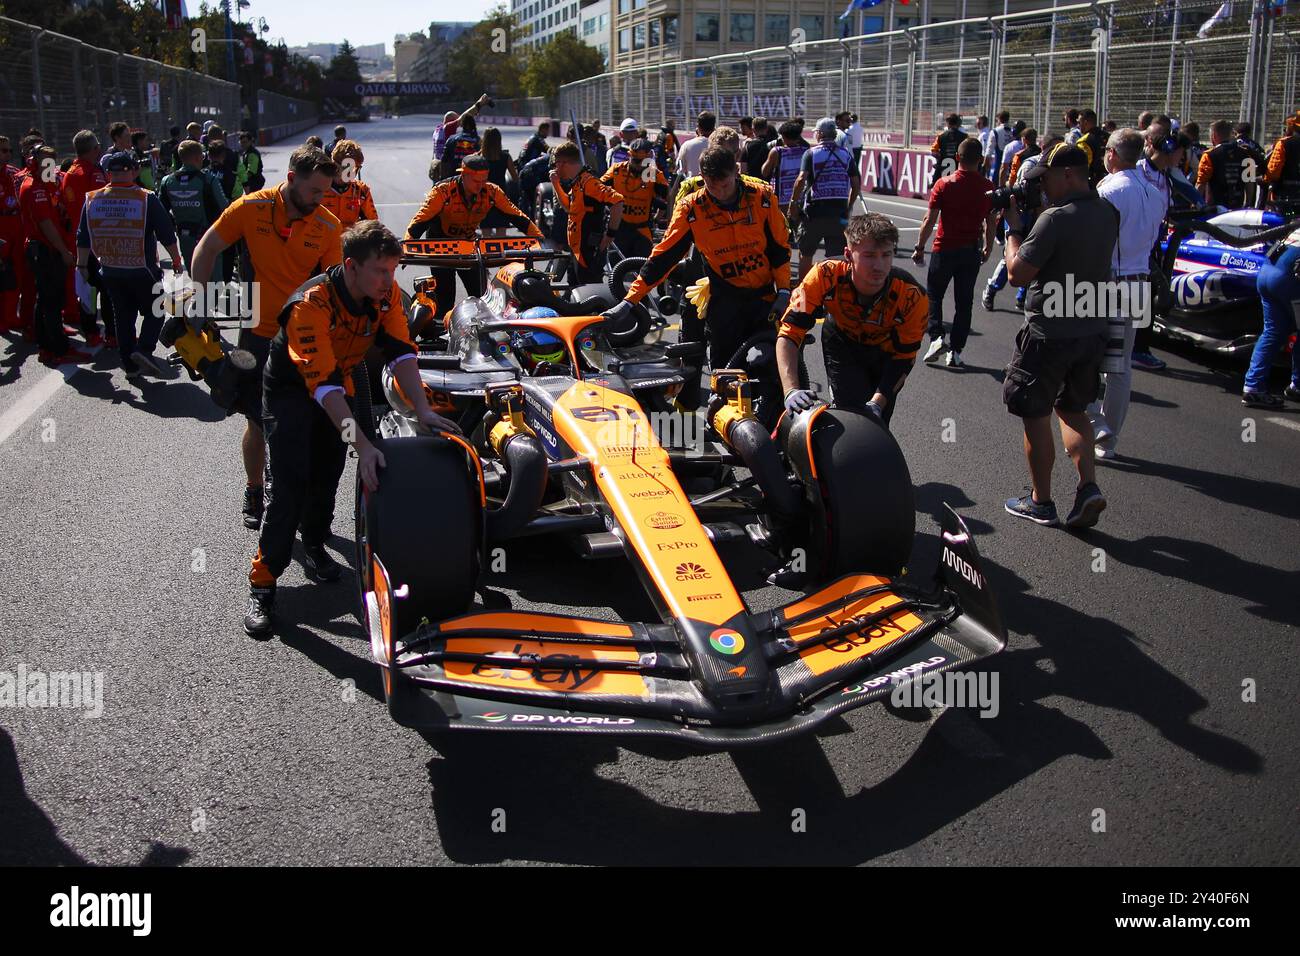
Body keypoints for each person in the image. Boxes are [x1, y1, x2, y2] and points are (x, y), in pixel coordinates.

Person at [243, 221, 458, 636]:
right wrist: (364, 443)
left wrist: (423, 410)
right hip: (292, 392)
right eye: (380, 271)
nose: (388, 281)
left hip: (334, 384)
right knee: (291, 483)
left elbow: (401, 353)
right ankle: (263, 584)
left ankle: (316, 543)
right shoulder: (311, 305)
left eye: (393, 271)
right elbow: (320, 388)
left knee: (328, 474)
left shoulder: (386, 294)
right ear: (350, 266)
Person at [190, 145, 344, 531]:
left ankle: (290, 494)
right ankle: (254, 487)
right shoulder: (251, 207)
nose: (320, 199)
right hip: (256, 334)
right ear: (291, 179)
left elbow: (338, 288)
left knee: (300, 423)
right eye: (314, 191)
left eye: (325, 192)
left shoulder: (327, 226)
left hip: (302, 338)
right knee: (257, 423)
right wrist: (199, 301)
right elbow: (207, 247)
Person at [1001, 143, 1117, 529]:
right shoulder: (1107, 212)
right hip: (1090, 329)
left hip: (1049, 333)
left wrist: (1013, 233)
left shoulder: (1054, 219)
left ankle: (1041, 501)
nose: (1043, 187)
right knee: (1073, 409)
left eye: (1047, 178)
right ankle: (1088, 487)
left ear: (1068, 174)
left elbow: (1018, 273)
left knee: (1035, 412)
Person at [608, 145, 791, 373]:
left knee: (772, 365)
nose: (720, 193)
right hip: (725, 299)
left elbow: (779, 248)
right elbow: (663, 257)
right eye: (712, 186)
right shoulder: (691, 208)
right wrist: (629, 301)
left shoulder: (763, 197)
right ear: (702, 177)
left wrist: (784, 291)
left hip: (765, 298)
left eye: (725, 185)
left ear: (735, 171)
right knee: (725, 371)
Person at [778, 212, 926, 427]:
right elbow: (789, 333)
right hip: (842, 341)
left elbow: (905, 357)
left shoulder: (913, 296)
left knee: (877, 422)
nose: (879, 265)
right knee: (849, 415)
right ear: (848, 254)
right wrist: (790, 390)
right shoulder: (822, 275)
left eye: (886, 255)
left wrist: (878, 402)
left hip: (885, 352)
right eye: (869, 256)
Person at [1089, 128, 1167, 459]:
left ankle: (1095, 424)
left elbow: (1093, 237)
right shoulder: (1156, 192)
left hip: (1108, 281)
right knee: (1119, 366)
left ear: (1113, 154)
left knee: (1087, 357)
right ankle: (1109, 436)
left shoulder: (1109, 189)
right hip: (1139, 282)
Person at [76, 150, 184, 378]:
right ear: (134, 171)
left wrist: (82, 266)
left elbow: (83, 237)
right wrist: (176, 259)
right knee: (156, 310)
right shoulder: (146, 198)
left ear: (108, 173)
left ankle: (130, 365)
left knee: (122, 316)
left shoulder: (92, 199)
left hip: (109, 269)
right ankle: (144, 349)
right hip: (142, 269)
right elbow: (166, 233)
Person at [407, 153, 542, 321]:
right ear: (463, 175)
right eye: (476, 181)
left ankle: (484, 330)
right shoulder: (442, 191)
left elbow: (517, 216)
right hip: (441, 247)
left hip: (469, 246)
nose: (480, 185)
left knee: (482, 295)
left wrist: (538, 237)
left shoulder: (492, 191)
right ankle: (441, 332)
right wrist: (408, 247)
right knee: (445, 297)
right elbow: (419, 221)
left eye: (484, 180)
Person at [914, 138, 994, 368]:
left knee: (934, 295)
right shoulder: (988, 187)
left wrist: (920, 247)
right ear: (980, 160)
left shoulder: (944, 184)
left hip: (944, 248)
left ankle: (937, 337)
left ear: (957, 158)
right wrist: (988, 246)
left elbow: (930, 220)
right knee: (964, 302)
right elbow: (991, 222)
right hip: (971, 251)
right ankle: (956, 351)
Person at [20, 145, 91, 365]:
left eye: (52, 159)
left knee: (45, 301)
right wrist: (64, 251)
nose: (50, 164)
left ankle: (46, 347)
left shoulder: (45, 185)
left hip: (43, 249)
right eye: (45, 160)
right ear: (33, 162)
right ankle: (59, 349)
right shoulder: (35, 188)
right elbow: (46, 224)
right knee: (51, 302)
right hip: (45, 250)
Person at [789, 118, 861, 282]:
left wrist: (793, 204)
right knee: (836, 256)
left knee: (806, 253)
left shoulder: (811, 153)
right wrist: (849, 206)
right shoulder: (846, 155)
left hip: (815, 212)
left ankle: (804, 290)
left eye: (816, 132)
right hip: (839, 213)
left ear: (820, 134)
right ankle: (833, 290)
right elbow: (856, 184)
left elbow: (801, 179)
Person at [62, 129, 112, 347]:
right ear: (94, 149)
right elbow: (106, 204)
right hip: (98, 241)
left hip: (77, 238)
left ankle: (91, 332)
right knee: (108, 289)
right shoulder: (95, 174)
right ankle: (112, 333)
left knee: (87, 289)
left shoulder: (69, 173)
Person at [549, 141, 624, 284]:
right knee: (574, 293)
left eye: (556, 164)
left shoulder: (589, 183)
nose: (555, 169)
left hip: (588, 251)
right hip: (576, 250)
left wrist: (609, 236)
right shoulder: (577, 183)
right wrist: (556, 184)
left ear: (562, 163)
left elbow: (618, 201)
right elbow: (568, 208)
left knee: (590, 295)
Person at [1240, 232, 1300, 408]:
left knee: (1273, 332)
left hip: (1267, 273)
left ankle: (1253, 387)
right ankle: (1297, 385)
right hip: (1288, 280)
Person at [985, 128, 1041, 312]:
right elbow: (1014, 183)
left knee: (1031, 255)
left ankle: (1020, 296)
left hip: (1035, 213)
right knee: (1012, 254)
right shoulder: (1027, 159)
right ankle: (992, 290)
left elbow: (1008, 176)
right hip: (1022, 210)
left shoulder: (1026, 156)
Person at [159, 139, 228, 271]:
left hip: (185, 238)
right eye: (202, 156)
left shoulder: (167, 181)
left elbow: (161, 213)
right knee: (214, 281)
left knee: (195, 276)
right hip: (210, 237)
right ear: (197, 157)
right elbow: (225, 208)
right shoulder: (209, 179)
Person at [600, 138, 668, 258]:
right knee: (616, 267)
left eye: (642, 161)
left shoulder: (653, 174)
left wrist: (657, 218)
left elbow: (667, 199)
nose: (638, 165)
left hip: (642, 229)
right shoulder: (617, 170)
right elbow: (598, 189)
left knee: (642, 268)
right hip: (619, 228)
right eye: (635, 161)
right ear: (629, 156)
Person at [321, 139, 378, 230]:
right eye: (349, 169)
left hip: (349, 241)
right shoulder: (319, 187)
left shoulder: (362, 191)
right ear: (335, 165)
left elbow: (373, 225)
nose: (353, 173)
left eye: (357, 168)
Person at [1196, 119, 1253, 208]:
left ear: (1214, 135)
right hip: (1237, 206)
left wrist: (1195, 204)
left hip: (1215, 209)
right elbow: (1250, 181)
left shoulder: (1208, 155)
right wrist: (1248, 203)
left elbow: (1201, 183)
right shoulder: (1246, 154)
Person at [0, 137, 25, 334]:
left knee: (15, 272)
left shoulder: (14, 172)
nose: (7, 154)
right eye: (3, 150)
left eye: (9, 151)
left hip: (16, 225)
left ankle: (11, 316)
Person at [761, 120, 810, 216]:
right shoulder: (806, 151)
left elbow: (765, 172)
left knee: (781, 226)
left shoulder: (777, 152)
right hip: (800, 198)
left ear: (783, 136)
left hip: (780, 198)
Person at [479, 127, 520, 238]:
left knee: (485, 232)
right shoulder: (505, 157)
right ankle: (500, 254)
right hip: (500, 195)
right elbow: (515, 178)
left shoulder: (479, 158)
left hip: (484, 196)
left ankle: (486, 254)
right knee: (501, 231)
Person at [433, 94, 490, 168]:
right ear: (451, 122)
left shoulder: (438, 130)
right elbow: (464, 116)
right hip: (446, 165)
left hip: (437, 163)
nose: (460, 126)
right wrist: (479, 104)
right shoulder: (448, 128)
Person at [1264, 111, 1300, 212]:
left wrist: (1265, 179)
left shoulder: (1283, 143)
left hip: (1285, 194)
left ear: (1291, 126)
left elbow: (1273, 172)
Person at [675, 111, 716, 183]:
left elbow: (680, 171)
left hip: (691, 188)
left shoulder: (687, 145)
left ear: (698, 127)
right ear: (714, 128)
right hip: (715, 189)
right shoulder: (719, 145)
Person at [930, 113, 967, 187]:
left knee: (941, 186)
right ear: (958, 123)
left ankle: (933, 182)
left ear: (948, 123)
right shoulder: (965, 137)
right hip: (958, 170)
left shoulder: (941, 136)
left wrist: (939, 156)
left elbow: (933, 150)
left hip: (943, 170)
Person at [1075, 110, 1108, 187]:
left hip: (1092, 185)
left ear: (1085, 122)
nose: (1078, 125)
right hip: (1110, 180)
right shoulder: (1109, 137)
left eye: (1079, 122)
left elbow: (1082, 167)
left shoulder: (1084, 141)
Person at [233, 131, 265, 197]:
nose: (243, 144)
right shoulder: (246, 152)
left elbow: (251, 172)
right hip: (252, 182)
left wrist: (241, 179)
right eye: (241, 142)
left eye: (245, 142)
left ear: (250, 141)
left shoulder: (252, 154)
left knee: (252, 201)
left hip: (255, 182)